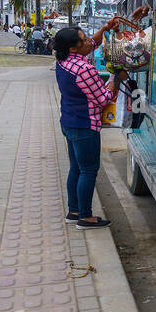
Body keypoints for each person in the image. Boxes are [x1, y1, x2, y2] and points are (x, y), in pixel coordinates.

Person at [53, 24, 128, 229]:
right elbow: (102, 99)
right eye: (83, 39)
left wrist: (104, 29)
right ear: (73, 48)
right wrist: (114, 77)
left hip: (69, 122)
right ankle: (85, 217)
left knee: (76, 168)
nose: (89, 41)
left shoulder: (63, 61)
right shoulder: (84, 69)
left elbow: (94, 43)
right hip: (85, 126)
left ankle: (74, 211)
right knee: (88, 170)